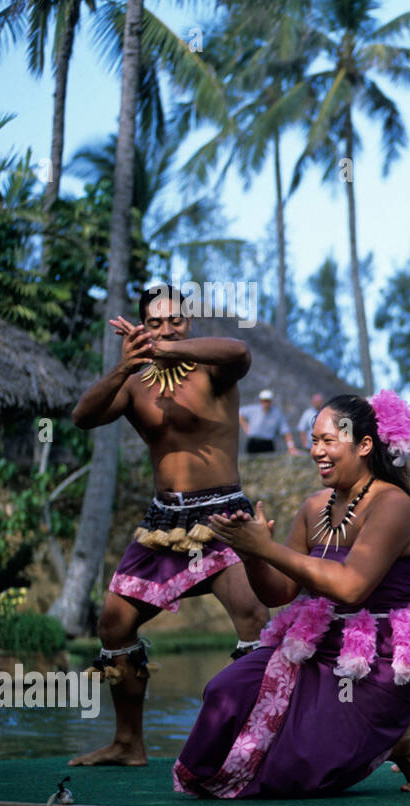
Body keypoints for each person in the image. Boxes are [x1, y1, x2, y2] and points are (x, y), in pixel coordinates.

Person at [174, 392, 410, 797]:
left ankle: (399, 735)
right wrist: (251, 553)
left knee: (299, 766)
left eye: (329, 441)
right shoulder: (313, 508)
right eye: (313, 440)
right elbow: (278, 593)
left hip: (374, 660)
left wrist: (267, 549)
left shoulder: (392, 504)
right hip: (315, 646)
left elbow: (351, 586)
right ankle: (389, 736)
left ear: (364, 445)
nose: (317, 451)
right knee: (224, 693)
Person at [68, 284, 269, 767]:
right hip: (163, 522)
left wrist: (167, 347)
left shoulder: (213, 370)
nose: (164, 328)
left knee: (253, 618)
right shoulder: (134, 384)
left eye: (174, 320)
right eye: (154, 323)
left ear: (188, 322)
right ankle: (128, 743)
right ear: (140, 326)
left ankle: (256, 744)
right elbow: (82, 417)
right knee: (113, 623)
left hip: (222, 515)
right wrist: (124, 365)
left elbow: (240, 350)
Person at [240, 389, 296, 454]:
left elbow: (286, 431)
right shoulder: (253, 410)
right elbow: (239, 413)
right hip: (253, 443)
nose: (266, 403)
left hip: (268, 444)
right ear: (260, 401)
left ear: (271, 401)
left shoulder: (277, 414)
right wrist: (245, 427)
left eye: (267, 401)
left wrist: (291, 446)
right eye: (264, 400)